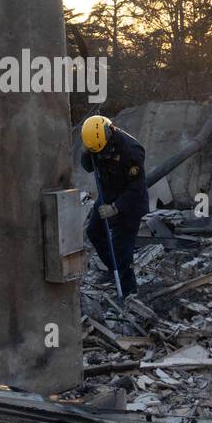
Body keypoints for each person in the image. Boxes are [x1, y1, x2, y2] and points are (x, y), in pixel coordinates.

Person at [80, 114, 148, 296]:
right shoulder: (96, 143)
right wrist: (86, 153)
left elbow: (137, 188)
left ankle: (128, 292)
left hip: (129, 204)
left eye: (102, 150)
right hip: (107, 195)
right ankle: (114, 271)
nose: (101, 154)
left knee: (121, 249)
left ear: (109, 132)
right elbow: (88, 166)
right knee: (94, 232)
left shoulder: (131, 150)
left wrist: (115, 208)